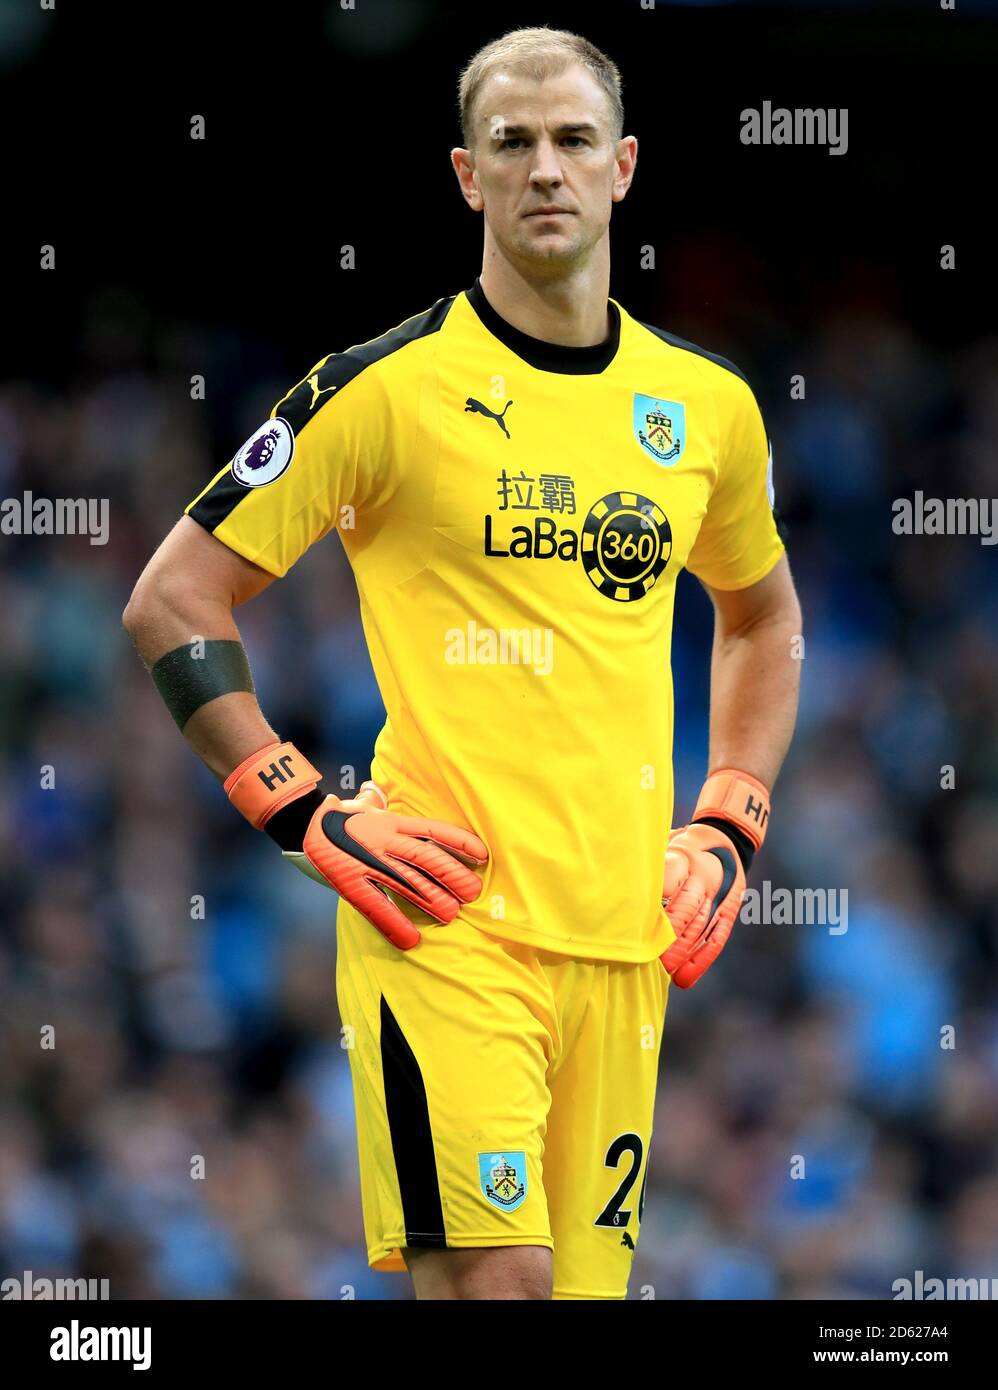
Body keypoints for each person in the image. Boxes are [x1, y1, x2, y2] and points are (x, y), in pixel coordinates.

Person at [123, 25, 802, 1300]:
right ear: (464, 175)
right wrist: (294, 804)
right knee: (504, 1290)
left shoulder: (705, 407)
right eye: (512, 143)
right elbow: (172, 599)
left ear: (623, 168)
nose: (544, 168)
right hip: (442, 918)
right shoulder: (378, 389)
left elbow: (762, 619)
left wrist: (728, 820)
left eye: (572, 141)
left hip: (621, 941)